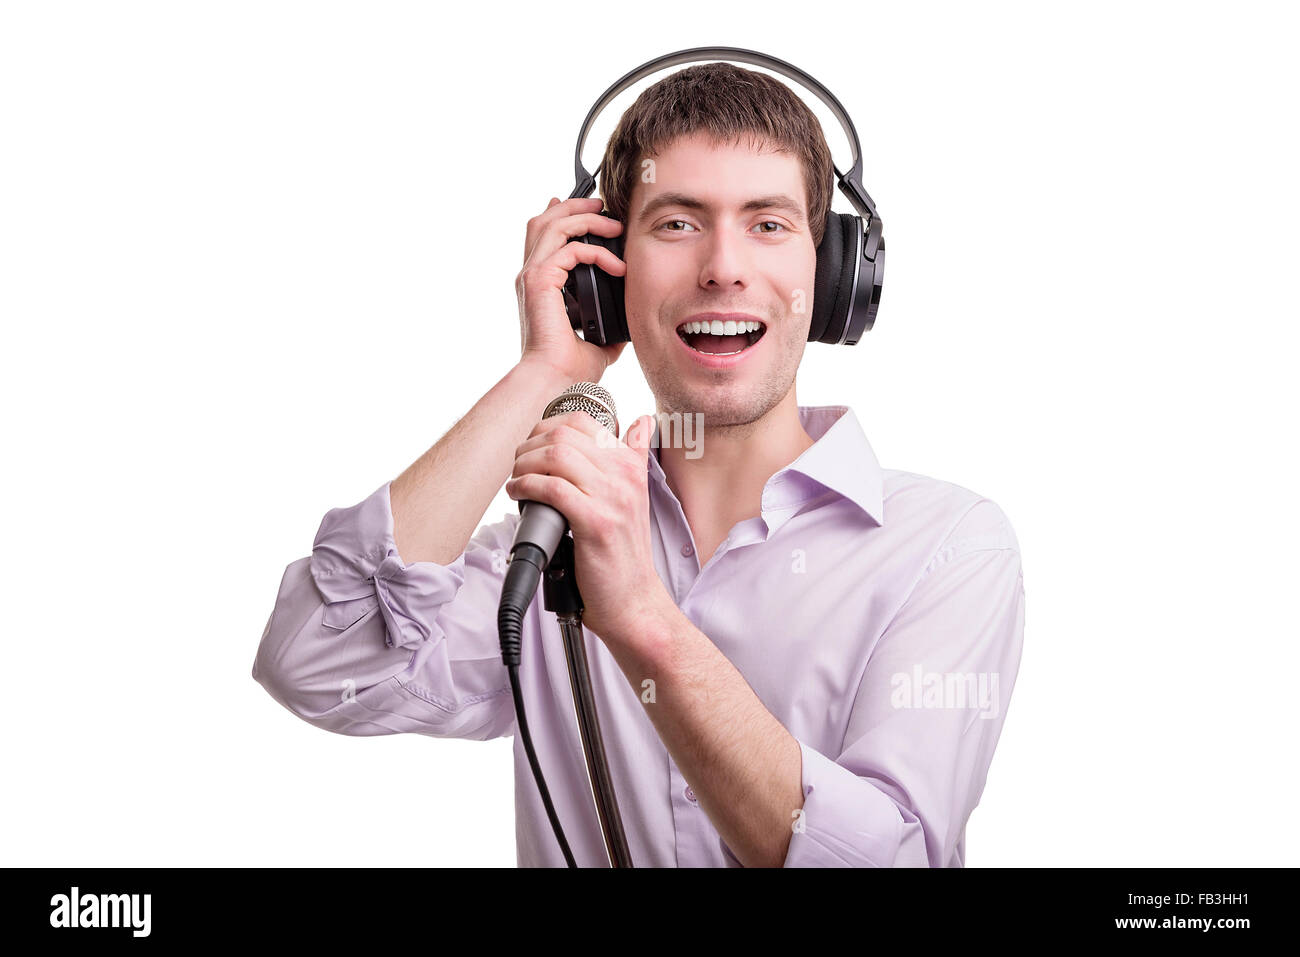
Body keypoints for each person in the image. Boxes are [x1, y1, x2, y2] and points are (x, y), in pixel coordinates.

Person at [251, 62, 1026, 868]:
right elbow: (313, 655)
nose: (723, 267)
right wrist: (548, 372)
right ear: (605, 274)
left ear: (832, 276)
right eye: (678, 223)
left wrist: (641, 618)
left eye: (767, 223)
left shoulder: (949, 549)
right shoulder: (546, 550)